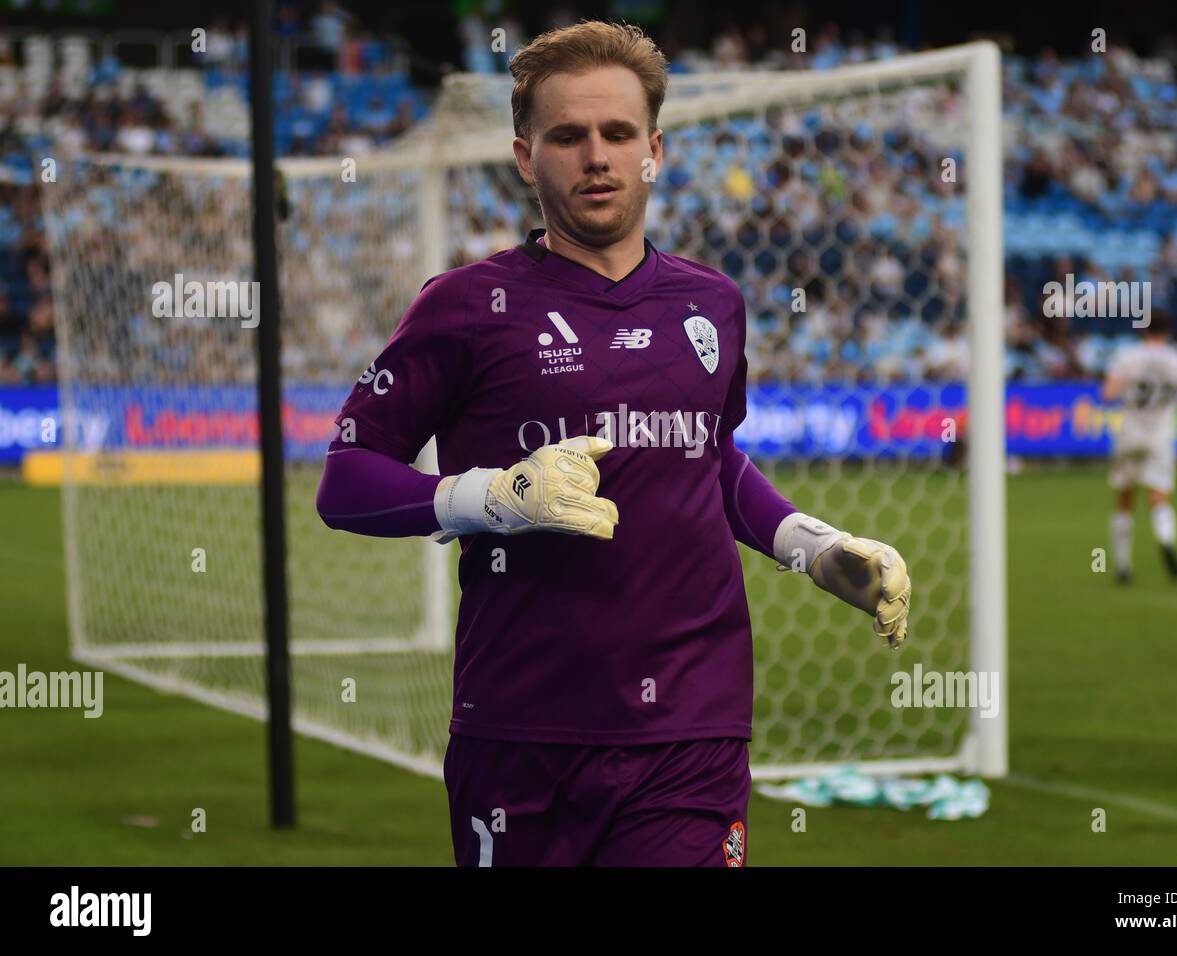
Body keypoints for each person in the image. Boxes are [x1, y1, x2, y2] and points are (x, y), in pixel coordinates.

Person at [316, 20, 911, 867]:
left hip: (691, 731)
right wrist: (491, 497)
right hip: (521, 727)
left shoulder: (713, 304)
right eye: (568, 136)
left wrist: (810, 547)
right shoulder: (464, 306)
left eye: (617, 134)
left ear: (653, 149)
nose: (596, 156)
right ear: (526, 157)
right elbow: (345, 483)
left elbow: (706, 458)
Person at [1103, 309, 1177, 584]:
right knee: (1159, 496)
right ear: (1168, 331)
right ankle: (1165, 540)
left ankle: (1122, 567)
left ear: (1144, 329)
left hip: (1131, 431)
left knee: (1124, 498)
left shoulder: (1128, 355)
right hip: (1161, 434)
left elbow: (1108, 393)